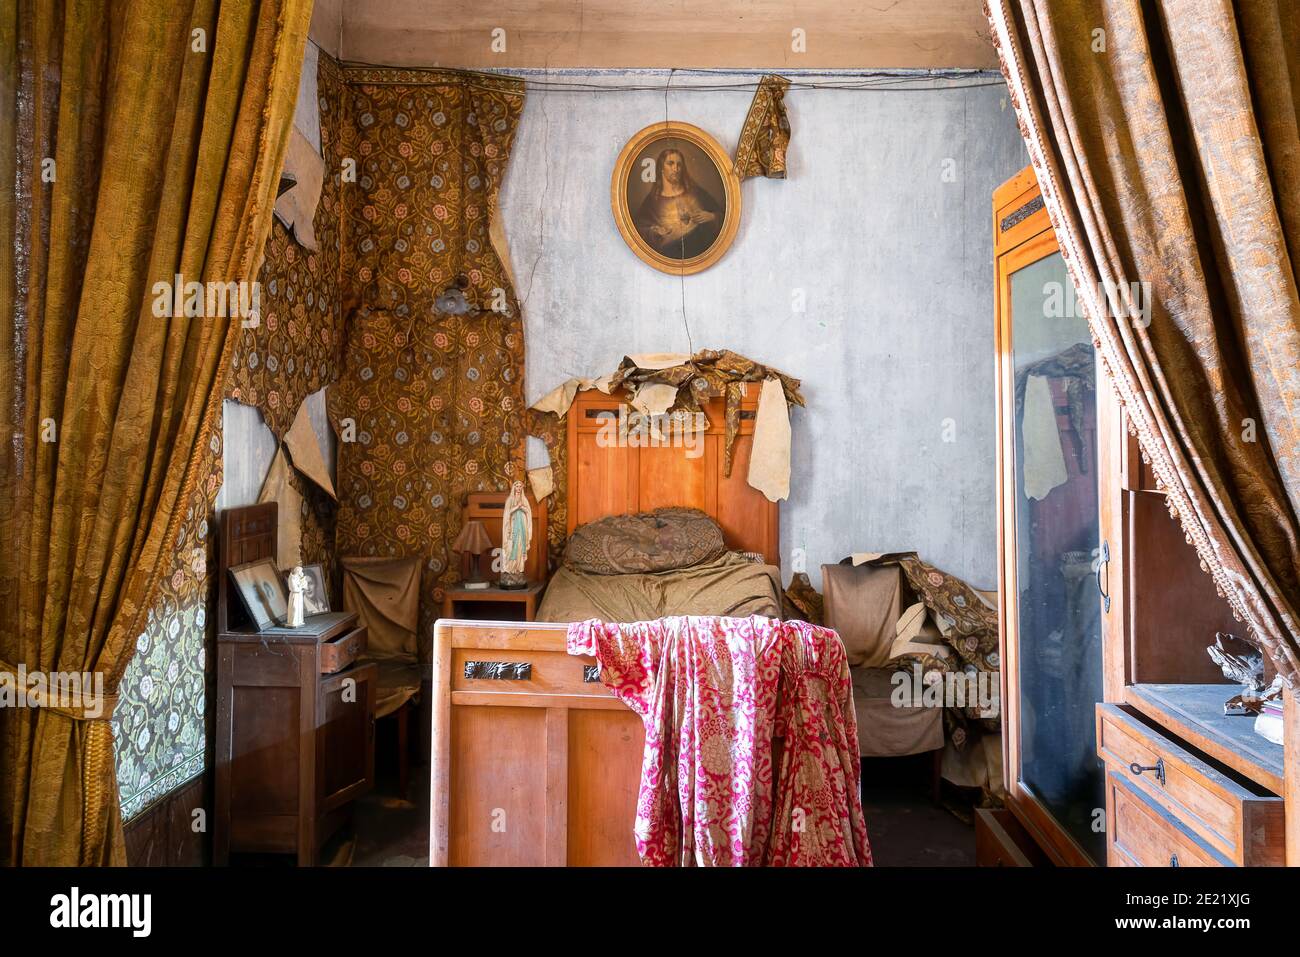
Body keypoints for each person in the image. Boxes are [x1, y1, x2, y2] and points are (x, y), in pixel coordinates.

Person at [633, 146, 722, 259]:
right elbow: (639, 230)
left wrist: (712, 216)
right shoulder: (652, 201)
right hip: (669, 256)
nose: (676, 168)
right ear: (661, 167)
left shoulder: (696, 193)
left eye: (679, 164)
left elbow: (723, 215)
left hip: (700, 255)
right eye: (670, 163)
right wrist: (655, 231)